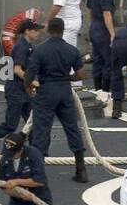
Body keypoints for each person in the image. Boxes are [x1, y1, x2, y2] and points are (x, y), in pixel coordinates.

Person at [24, 17, 88, 181]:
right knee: (72, 128)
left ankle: (38, 172)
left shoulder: (39, 50)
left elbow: (29, 76)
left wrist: (29, 88)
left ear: (48, 30)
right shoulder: (71, 50)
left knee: (41, 130)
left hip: (45, 92)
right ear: (63, 29)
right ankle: (81, 170)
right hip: (64, 91)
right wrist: (68, 78)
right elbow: (80, 74)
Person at [0, 16, 43, 139]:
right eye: (35, 30)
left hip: (24, 91)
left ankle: (34, 150)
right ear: (27, 31)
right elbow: (17, 70)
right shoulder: (21, 47)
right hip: (16, 91)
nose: (38, 33)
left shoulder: (29, 47)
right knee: (10, 125)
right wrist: (33, 82)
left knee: (32, 123)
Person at [85, 0, 119, 105]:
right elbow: (107, 13)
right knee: (108, 61)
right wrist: (112, 33)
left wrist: (91, 27)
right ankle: (105, 92)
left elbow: (89, 10)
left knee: (97, 60)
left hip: (94, 27)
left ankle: (98, 90)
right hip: (103, 29)